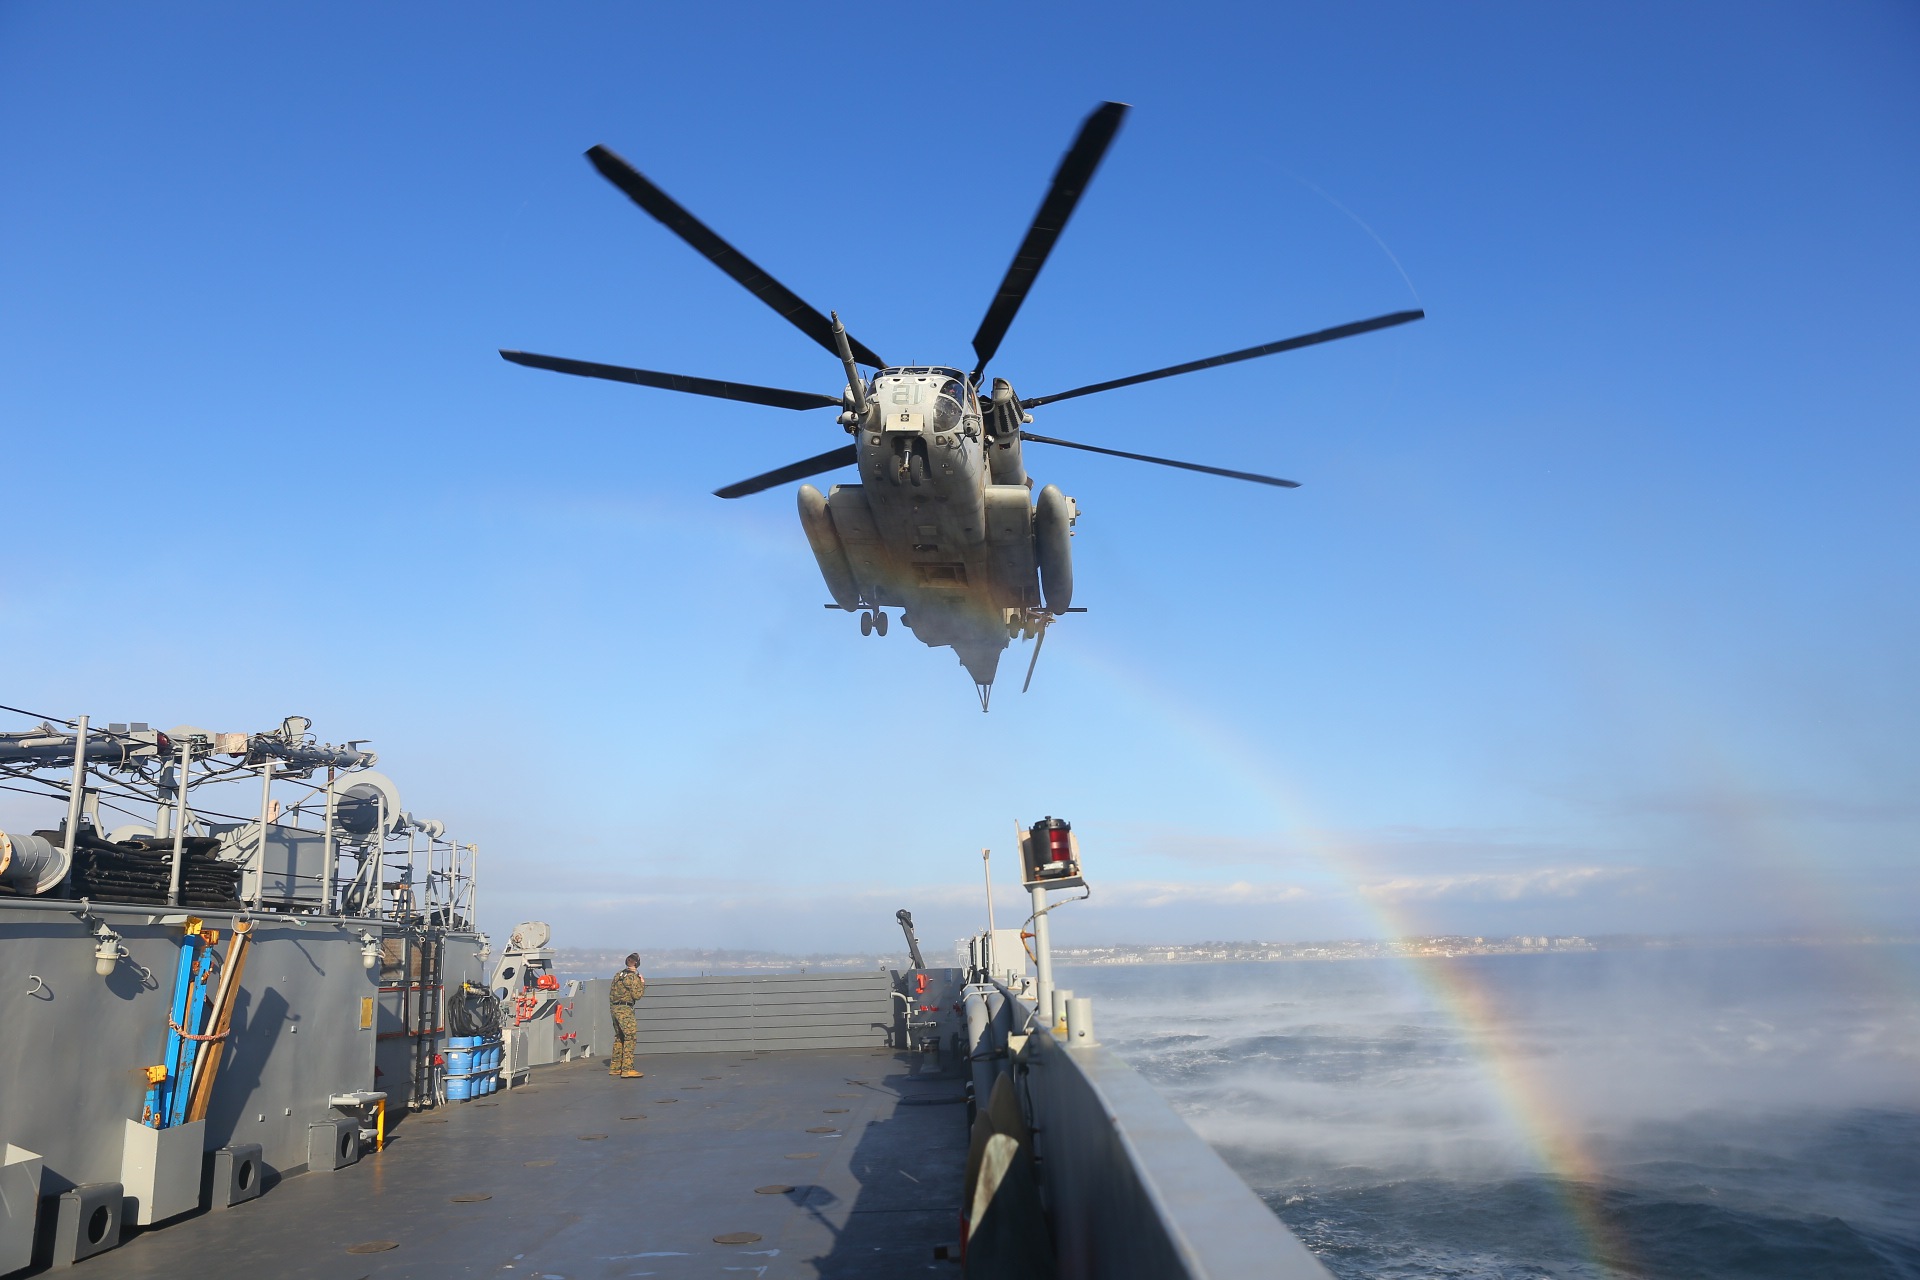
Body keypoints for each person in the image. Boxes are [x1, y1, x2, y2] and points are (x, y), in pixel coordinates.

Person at [608, 952, 646, 1078]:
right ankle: (627, 1068)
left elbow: (612, 993)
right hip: (625, 1009)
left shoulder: (618, 975)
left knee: (619, 1037)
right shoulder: (632, 977)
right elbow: (637, 995)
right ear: (636, 963)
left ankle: (615, 1067)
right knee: (630, 1037)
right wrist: (642, 983)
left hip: (614, 1008)